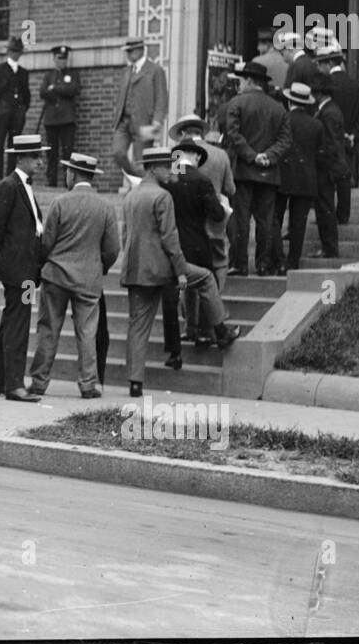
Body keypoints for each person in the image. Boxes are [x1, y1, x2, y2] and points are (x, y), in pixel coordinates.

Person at [120, 147, 239, 398]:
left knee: (138, 325)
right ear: (153, 169)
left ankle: (135, 382)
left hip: (136, 268)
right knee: (206, 277)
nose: (171, 170)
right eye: (166, 166)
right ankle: (220, 330)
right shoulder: (162, 197)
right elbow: (170, 238)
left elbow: (125, 236)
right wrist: (180, 272)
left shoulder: (131, 195)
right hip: (163, 267)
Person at [26, 151, 120, 399]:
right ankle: (88, 383)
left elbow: (47, 243)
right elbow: (113, 248)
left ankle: (39, 381)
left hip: (56, 275)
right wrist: (101, 267)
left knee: (48, 329)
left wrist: (44, 261)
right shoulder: (106, 206)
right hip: (89, 278)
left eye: (67, 171)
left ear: (73, 173)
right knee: (87, 332)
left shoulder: (60, 202)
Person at [0, 133, 49, 402]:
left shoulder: (23, 186)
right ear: (20, 158)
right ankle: (14, 385)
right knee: (18, 323)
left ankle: (0, 381)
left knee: (11, 320)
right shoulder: (10, 186)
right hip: (19, 271)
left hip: (25, 270)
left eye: (41, 156)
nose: (41, 161)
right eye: (35, 156)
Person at [169, 115, 235, 343]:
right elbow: (229, 191)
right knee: (212, 278)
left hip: (179, 239)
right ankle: (211, 329)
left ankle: (191, 326)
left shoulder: (171, 177)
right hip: (208, 232)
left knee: (188, 282)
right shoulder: (219, 157)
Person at [225, 60, 292, 277]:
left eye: (241, 80)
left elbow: (234, 136)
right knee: (266, 222)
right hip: (269, 172)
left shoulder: (236, 103)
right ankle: (264, 265)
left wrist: (252, 157)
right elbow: (285, 140)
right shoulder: (278, 108)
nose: (240, 85)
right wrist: (268, 157)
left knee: (241, 221)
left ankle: (239, 264)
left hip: (243, 171)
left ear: (250, 81)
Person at [271, 82, 333, 272]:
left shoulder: (282, 120)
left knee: (275, 219)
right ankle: (292, 262)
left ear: (290, 102)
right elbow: (322, 155)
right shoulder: (316, 125)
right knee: (298, 224)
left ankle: (277, 259)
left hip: (282, 177)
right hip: (306, 179)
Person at [317, 44, 359, 220]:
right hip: (348, 141)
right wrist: (353, 134)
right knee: (344, 176)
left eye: (321, 63)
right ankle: (343, 215)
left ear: (329, 63)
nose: (319, 68)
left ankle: (327, 217)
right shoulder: (355, 86)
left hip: (328, 140)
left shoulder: (325, 86)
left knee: (326, 181)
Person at [111, 35, 168, 178]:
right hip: (124, 121)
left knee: (140, 161)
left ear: (139, 50)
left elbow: (162, 98)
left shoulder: (155, 70)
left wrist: (157, 120)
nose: (128, 55)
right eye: (127, 51)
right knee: (118, 152)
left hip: (144, 122)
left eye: (130, 51)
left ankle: (141, 187)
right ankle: (135, 176)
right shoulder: (127, 71)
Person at [311, 75, 349, 259]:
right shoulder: (330, 110)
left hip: (326, 169)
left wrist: (319, 158)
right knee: (325, 208)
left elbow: (331, 143)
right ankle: (328, 247)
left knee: (325, 209)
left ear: (320, 93)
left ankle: (329, 248)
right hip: (329, 166)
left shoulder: (328, 112)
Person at [0, 35, 31, 179]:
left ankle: (11, 174)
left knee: (14, 144)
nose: (15, 54)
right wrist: (1, 104)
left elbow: (26, 93)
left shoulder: (23, 72)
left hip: (17, 112)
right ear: (9, 52)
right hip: (3, 112)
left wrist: (23, 108)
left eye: (18, 51)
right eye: (13, 51)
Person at [39, 44, 80, 186]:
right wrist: (59, 90)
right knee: (51, 153)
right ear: (54, 59)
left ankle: (67, 183)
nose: (62, 61)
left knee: (67, 153)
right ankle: (51, 182)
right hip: (51, 120)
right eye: (59, 58)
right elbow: (43, 92)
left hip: (67, 119)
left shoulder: (72, 74)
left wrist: (55, 88)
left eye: (64, 59)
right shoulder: (48, 75)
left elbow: (74, 89)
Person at [254, 26, 288, 93]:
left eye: (259, 43)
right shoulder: (288, 63)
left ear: (268, 44)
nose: (258, 48)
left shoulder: (257, 62)